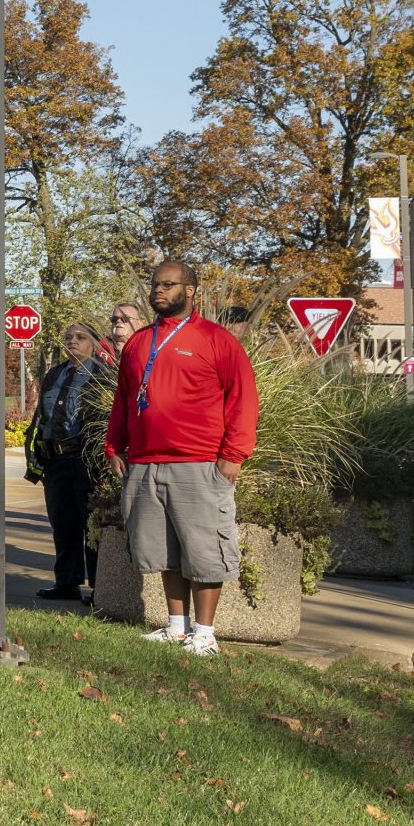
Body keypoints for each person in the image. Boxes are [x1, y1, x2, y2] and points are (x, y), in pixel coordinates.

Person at [105, 260, 259, 658]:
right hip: (144, 462)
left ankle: (205, 634)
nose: (158, 291)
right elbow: (123, 400)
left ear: (190, 291)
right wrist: (113, 446)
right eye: (155, 284)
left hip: (200, 463)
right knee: (165, 549)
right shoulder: (139, 342)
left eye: (168, 285)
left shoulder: (216, 340)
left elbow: (242, 398)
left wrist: (233, 456)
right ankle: (177, 627)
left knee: (204, 550)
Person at [26, 321, 108, 602]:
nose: (72, 341)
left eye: (80, 337)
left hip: (85, 459)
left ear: (94, 343)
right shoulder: (55, 374)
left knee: (91, 524)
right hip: (55, 459)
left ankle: (99, 587)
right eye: (68, 337)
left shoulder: (102, 375)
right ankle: (67, 582)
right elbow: (41, 416)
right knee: (62, 522)